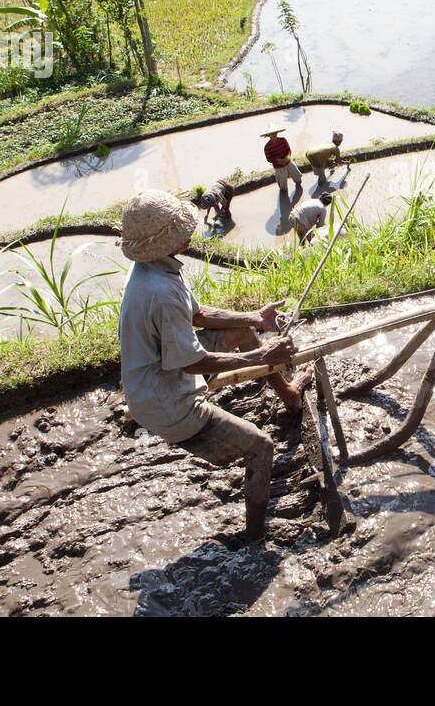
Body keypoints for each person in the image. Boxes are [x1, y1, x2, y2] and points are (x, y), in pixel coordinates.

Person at [117, 189, 313, 541]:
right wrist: (262, 357)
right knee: (261, 447)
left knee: (241, 330)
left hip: (152, 378)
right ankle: (254, 540)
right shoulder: (160, 292)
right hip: (168, 403)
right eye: (182, 229)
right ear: (167, 240)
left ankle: (291, 397)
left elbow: (199, 315)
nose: (191, 232)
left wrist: (255, 318)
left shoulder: (155, 268)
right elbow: (192, 361)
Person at [262, 128, 302, 195]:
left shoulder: (283, 140)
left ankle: (298, 189)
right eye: (272, 134)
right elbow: (269, 159)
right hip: (278, 167)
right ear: (268, 135)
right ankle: (284, 195)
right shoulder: (267, 147)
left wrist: (286, 159)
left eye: (275, 133)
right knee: (283, 187)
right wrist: (277, 160)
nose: (274, 135)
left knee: (298, 177)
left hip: (288, 162)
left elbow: (289, 151)